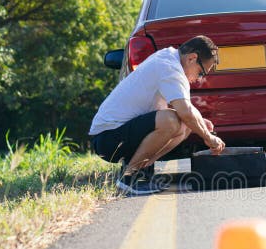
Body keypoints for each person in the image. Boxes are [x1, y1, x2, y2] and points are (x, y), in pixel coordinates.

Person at [89, 35, 226, 195]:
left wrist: (202, 126)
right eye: (201, 72)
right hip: (106, 139)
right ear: (192, 58)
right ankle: (128, 178)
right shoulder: (169, 67)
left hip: (115, 134)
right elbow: (185, 111)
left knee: (187, 125)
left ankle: (142, 171)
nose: (198, 79)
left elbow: (187, 110)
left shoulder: (170, 57)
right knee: (172, 120)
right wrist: (209, 138)